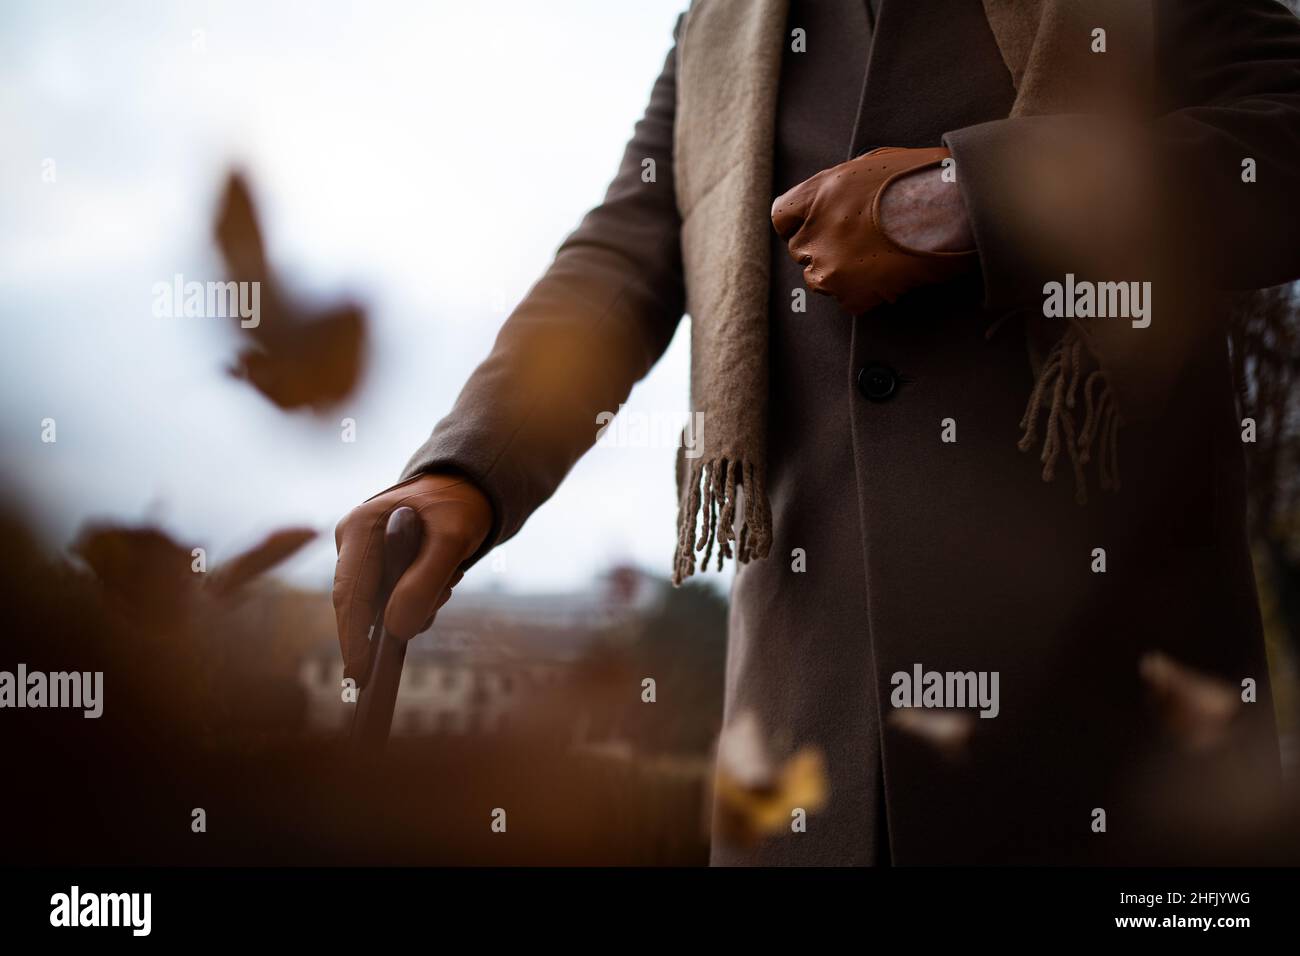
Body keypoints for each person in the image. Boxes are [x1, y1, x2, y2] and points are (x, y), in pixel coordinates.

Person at [333, 0, 1300, 864]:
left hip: (1106, 738)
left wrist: (969, 200)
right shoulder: (715, 26)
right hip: (801, 757)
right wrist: (466, 469)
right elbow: (620, 256)